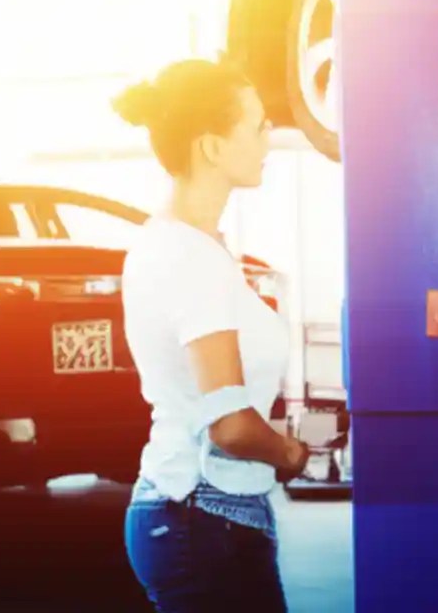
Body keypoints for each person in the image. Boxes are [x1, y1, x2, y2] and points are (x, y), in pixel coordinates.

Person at [114, 56, 310, 613]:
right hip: (202, 517)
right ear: (212, 146)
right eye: (257, 125)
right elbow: (230, 425)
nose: (270, 138)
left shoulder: (179, 244)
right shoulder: (191, 258)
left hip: (195, 513)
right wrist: (292, 452)